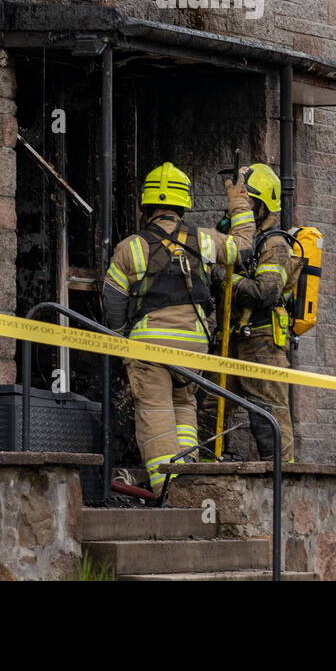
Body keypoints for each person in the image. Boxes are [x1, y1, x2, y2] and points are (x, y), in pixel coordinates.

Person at [102, 162, 253, 493]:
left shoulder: (130, 247)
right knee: (184, 407)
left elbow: (112, 302)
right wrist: (238, 197)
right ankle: (188, 487)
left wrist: (122, 336)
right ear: (183, 204)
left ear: (147, 204)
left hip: (148, 348)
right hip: (194, 348)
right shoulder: (204, 240)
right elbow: (244, 245)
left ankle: (166, 496)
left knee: (155, 415)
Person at [224, 162, 296, 462]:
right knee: (206, 408)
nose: (244, 208)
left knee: (268, 420)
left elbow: (266, 293)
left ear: (264, 206)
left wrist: (228, 278)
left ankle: (285, 483)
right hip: (232, 338)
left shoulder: (275, 244)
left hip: (264, 341)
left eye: (249, 202)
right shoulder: (241, 238)